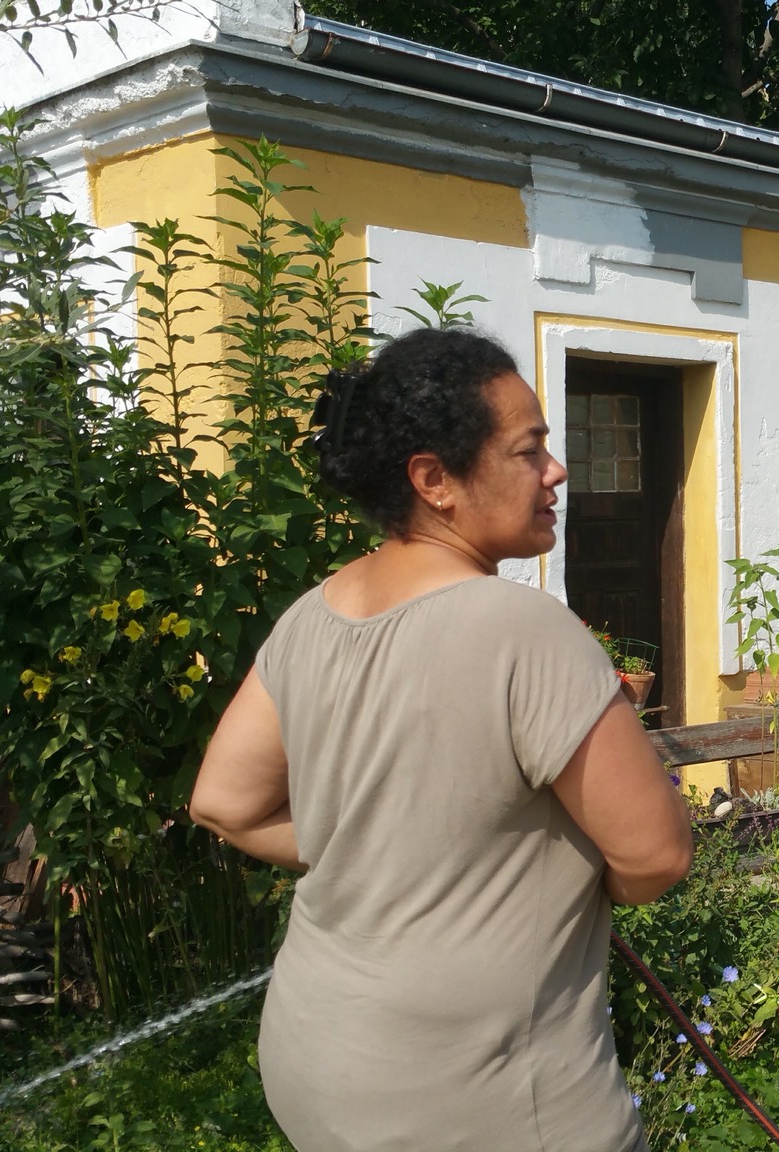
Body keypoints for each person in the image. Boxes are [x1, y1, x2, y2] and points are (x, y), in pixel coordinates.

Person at [189, 328, 693, 1152]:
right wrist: (565, 886)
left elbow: (224, 804)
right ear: (434, 479)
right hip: (482, 1095)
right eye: (529, 451)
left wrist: (394, 855)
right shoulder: (526, 628)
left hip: (317, 1059)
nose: (556, 473)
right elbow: (657, 856)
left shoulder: (312, 615)